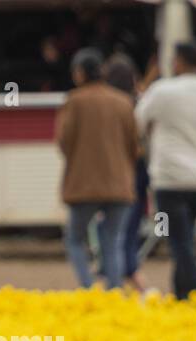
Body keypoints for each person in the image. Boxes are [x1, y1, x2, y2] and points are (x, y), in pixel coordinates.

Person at [55, 47, 138, 290]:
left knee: (74, 239)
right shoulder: (123, 102)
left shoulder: (74, 101)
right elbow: (134, 146)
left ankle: (89, 288)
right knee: (113, 241)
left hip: (83, 185)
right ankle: (114, 289)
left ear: (80, 73)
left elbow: (64, 142)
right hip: (119, 184)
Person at [136, 39, 196, 300]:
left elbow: (138, 120)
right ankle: (182, 294)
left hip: (169, 178)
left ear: (178, 62)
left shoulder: (162, 91)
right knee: (185, 235)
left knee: (179, 241)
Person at [105, 53, 152, 290]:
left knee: (114, 227)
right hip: (139, 170)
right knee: (131, 224)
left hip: (115, 170)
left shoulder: (109, 105)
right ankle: (130, 269)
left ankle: (120, 271)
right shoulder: (140, 102)